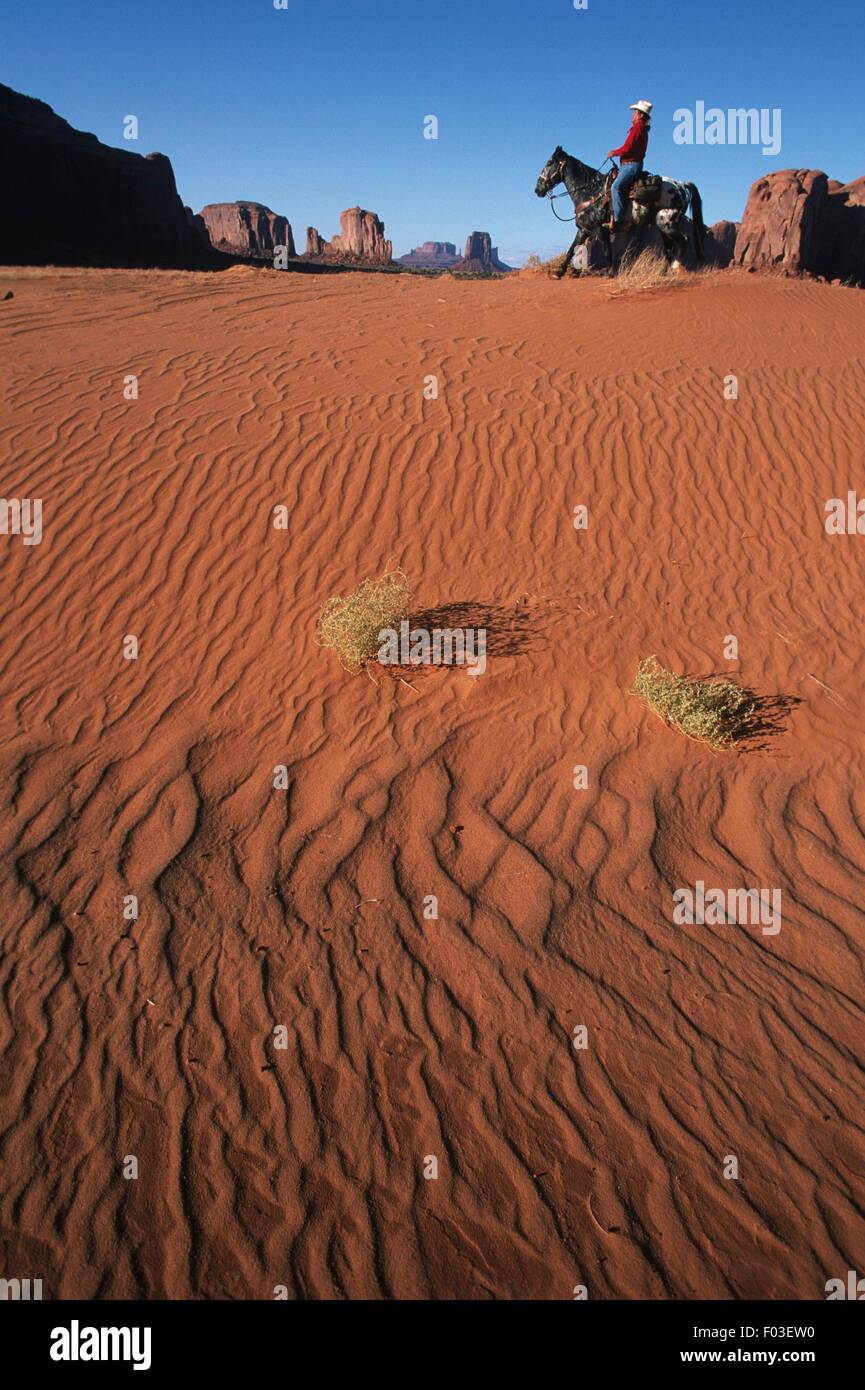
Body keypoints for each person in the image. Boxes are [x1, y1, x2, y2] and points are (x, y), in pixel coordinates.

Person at [607, 100, 653, 232]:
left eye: (634, 112)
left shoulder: (637, 128)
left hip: (630, 166)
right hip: (632, 165)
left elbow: (627, 148)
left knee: (615, 187)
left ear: (640, 115)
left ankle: (619, 220)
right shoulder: (641, 129)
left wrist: (613, 153)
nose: (632, 115)